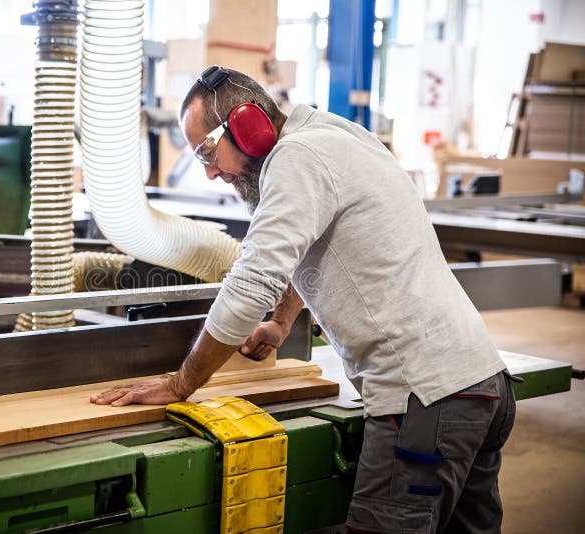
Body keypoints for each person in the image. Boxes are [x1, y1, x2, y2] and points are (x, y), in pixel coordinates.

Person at [90, 66, 516, 533]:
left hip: (426, 398)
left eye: (207, 152)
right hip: (481, 383)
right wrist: (281, 321)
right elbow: (308, 244)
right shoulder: (336, 135)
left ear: (248, 125)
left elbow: (250, 284)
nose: (210, 172)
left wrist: (179, 385)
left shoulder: (296, 158)